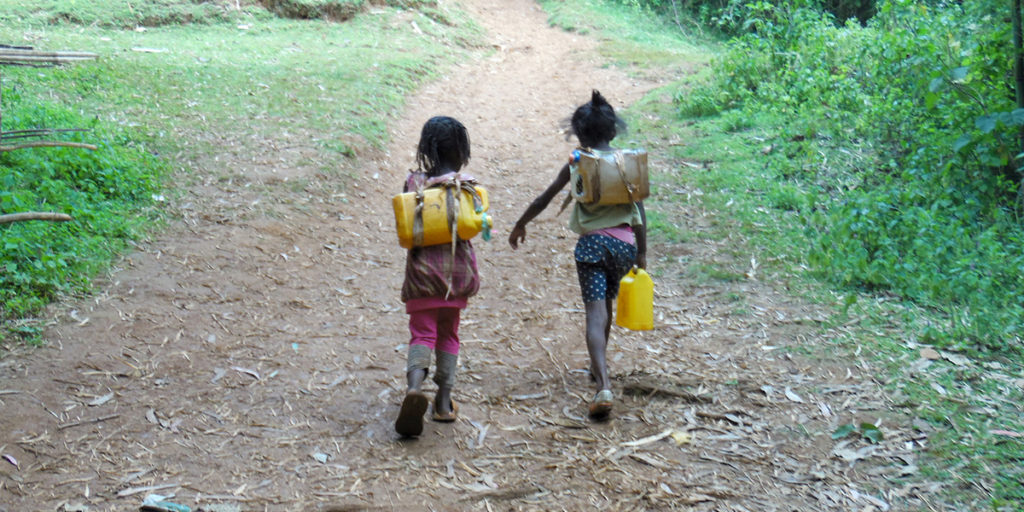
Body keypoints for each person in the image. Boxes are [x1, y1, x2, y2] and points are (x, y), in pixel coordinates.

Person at [508, 90, 647, 418]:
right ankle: (598, 370)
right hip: (624, 246)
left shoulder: (577, 163)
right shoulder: (628, 164)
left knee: (595, 314)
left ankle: (603, 384)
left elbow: (544, 199)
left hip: (591, 247)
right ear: (613, 131)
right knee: (607, 309)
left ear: (580, 134)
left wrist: (521, 223)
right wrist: (641, 253)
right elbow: (640, 211)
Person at [395, 116, 480, 437]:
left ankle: (414, 389)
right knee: (449, 335)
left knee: (422, 335)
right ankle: (443, 402)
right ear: (462, 152)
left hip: (422, 277)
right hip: (456, 278)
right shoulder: (466, 185)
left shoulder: (414, 183)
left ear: (427, 149)